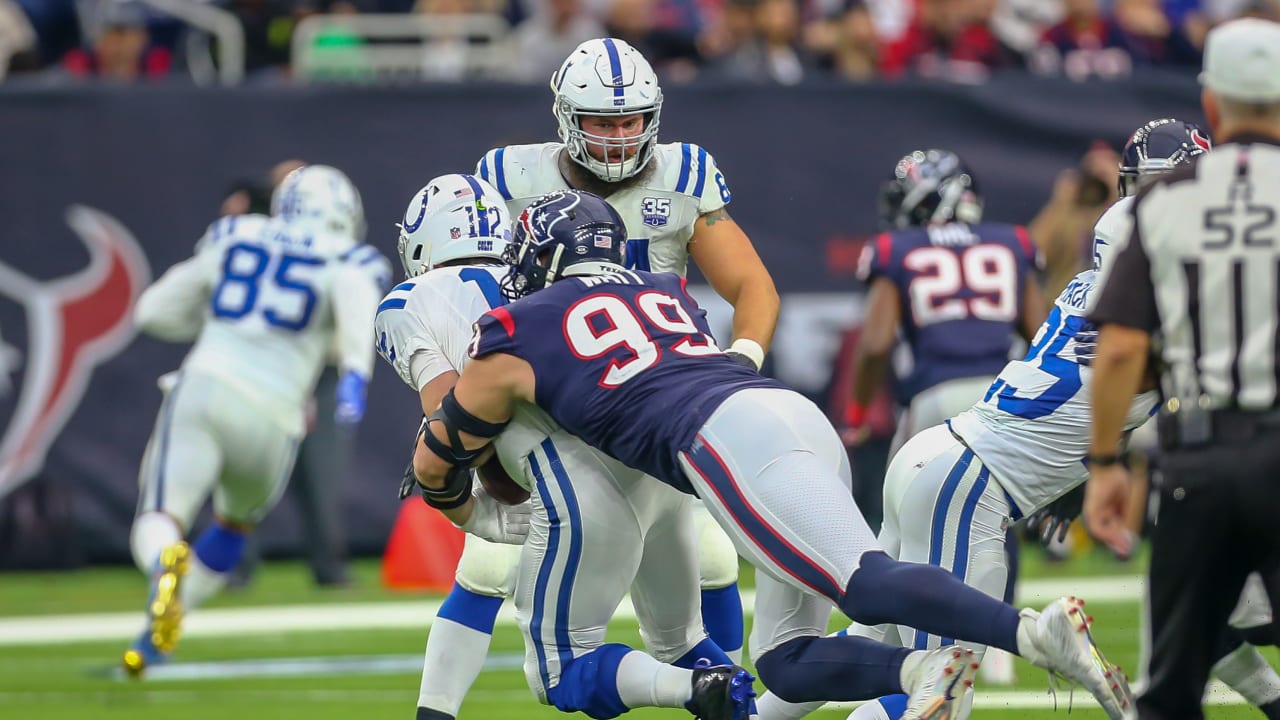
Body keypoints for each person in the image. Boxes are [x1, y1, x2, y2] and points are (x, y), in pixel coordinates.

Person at [412, 189, 1138, 720]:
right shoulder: (665, 289)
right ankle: (925, 666)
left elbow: (439, 455)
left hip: (724, 440)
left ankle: (1033, 634)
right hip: (782, 411)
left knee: (866, 584)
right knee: (786, 664)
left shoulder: (515, 327)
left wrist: (467, 511)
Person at [419, 36, 779, 713]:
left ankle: (724, 697)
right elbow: (477, 295)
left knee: (712, 562)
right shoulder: (508, 175)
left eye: (632, 120)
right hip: (553, 403)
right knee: (490, 563)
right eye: (603, 122)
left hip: (653, 403)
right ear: (564, 119)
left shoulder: (683, 175)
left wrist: (743, 360)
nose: (620, 137)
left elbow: (753, 287)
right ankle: (435, 711)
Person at [378, 173, 753, 720]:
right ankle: (747, 705)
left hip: (568, 473)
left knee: (557, 667)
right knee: (682, 641)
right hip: (655, 452)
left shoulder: (412, 298)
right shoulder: (562, 277)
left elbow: (452, 424)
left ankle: (693, 691)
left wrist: (473, 510)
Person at [1084, 18, 1280, 719]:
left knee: (1171, 688)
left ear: (1214, 103)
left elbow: (1121, 349)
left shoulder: (1161, 201)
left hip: (1201, 459)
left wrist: (1106, 460)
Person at [120, 165, 383, 676]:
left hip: (208, 383)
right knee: (235, 523)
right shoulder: (349, 259)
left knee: (161, 515)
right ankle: (156, 638)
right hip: (277, 417)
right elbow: (356, 310)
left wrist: (222, 320)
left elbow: (151, 313)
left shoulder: (237, 233)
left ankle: (162, 562)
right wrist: (355, 375)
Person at [847, 148, 1045, 685]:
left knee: (906, 521)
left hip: (936, 399)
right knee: (995, 519)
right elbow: (1040, 333)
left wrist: (859, 408)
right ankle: (1001, 644)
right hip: (1005, 393)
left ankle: (898, 641)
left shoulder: (896, 248)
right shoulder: (1013, 242)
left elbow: (875, 343)